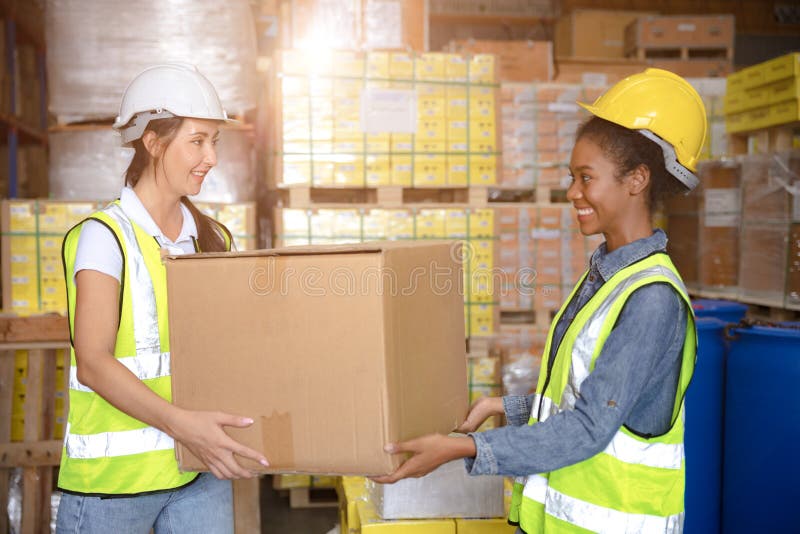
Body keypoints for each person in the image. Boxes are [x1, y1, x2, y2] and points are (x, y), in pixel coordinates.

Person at [373, 68, 705, 534]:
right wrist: (503, 407)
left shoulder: (651, 299)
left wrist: (467, 449)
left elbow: (591, 427)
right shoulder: (608, 276)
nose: (572, 193)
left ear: (636, 179)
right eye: (572, 177)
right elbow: (583, 396)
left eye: (586, 178)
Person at [55, 64, 268, 533]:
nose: (211, 157)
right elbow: (92, 361)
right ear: (152, 141)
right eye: (197, 141)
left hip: (199, 471)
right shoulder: (104, 238)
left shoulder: (211, 238)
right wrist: (183, 425)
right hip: (113, 486)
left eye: (215, 141)